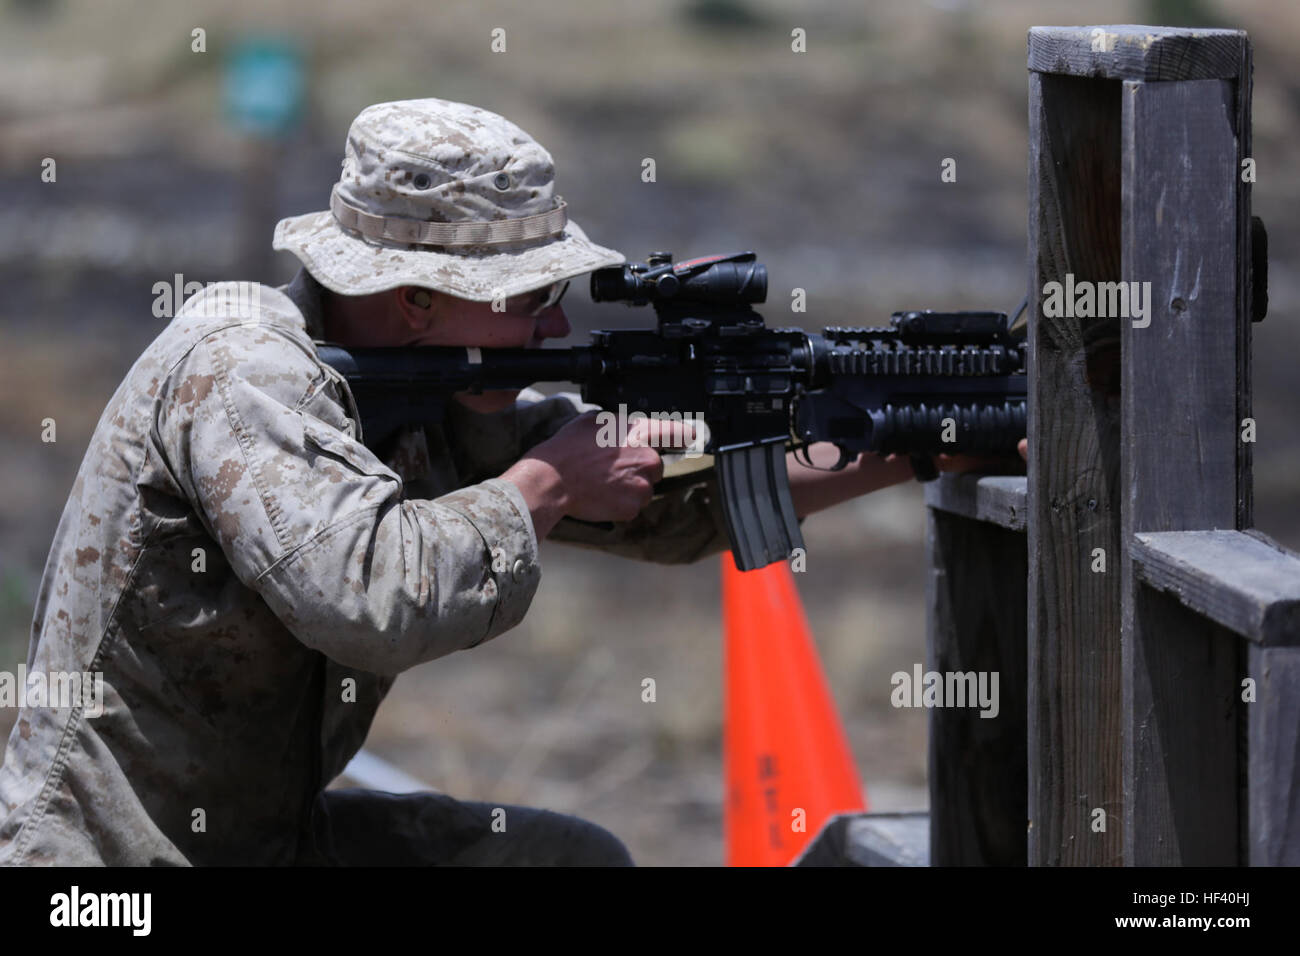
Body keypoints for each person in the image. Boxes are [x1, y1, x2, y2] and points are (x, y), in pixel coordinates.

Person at [0, 98, 1007, 866]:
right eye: (529, 298)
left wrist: (912, 438)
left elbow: (668, 504)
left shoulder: (424, 391)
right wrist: (539, 482)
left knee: (565, 859)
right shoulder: (240, 370)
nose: (555, 328)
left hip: (262, 838)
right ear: (416, 303)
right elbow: (366, 598)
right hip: (103, 873)